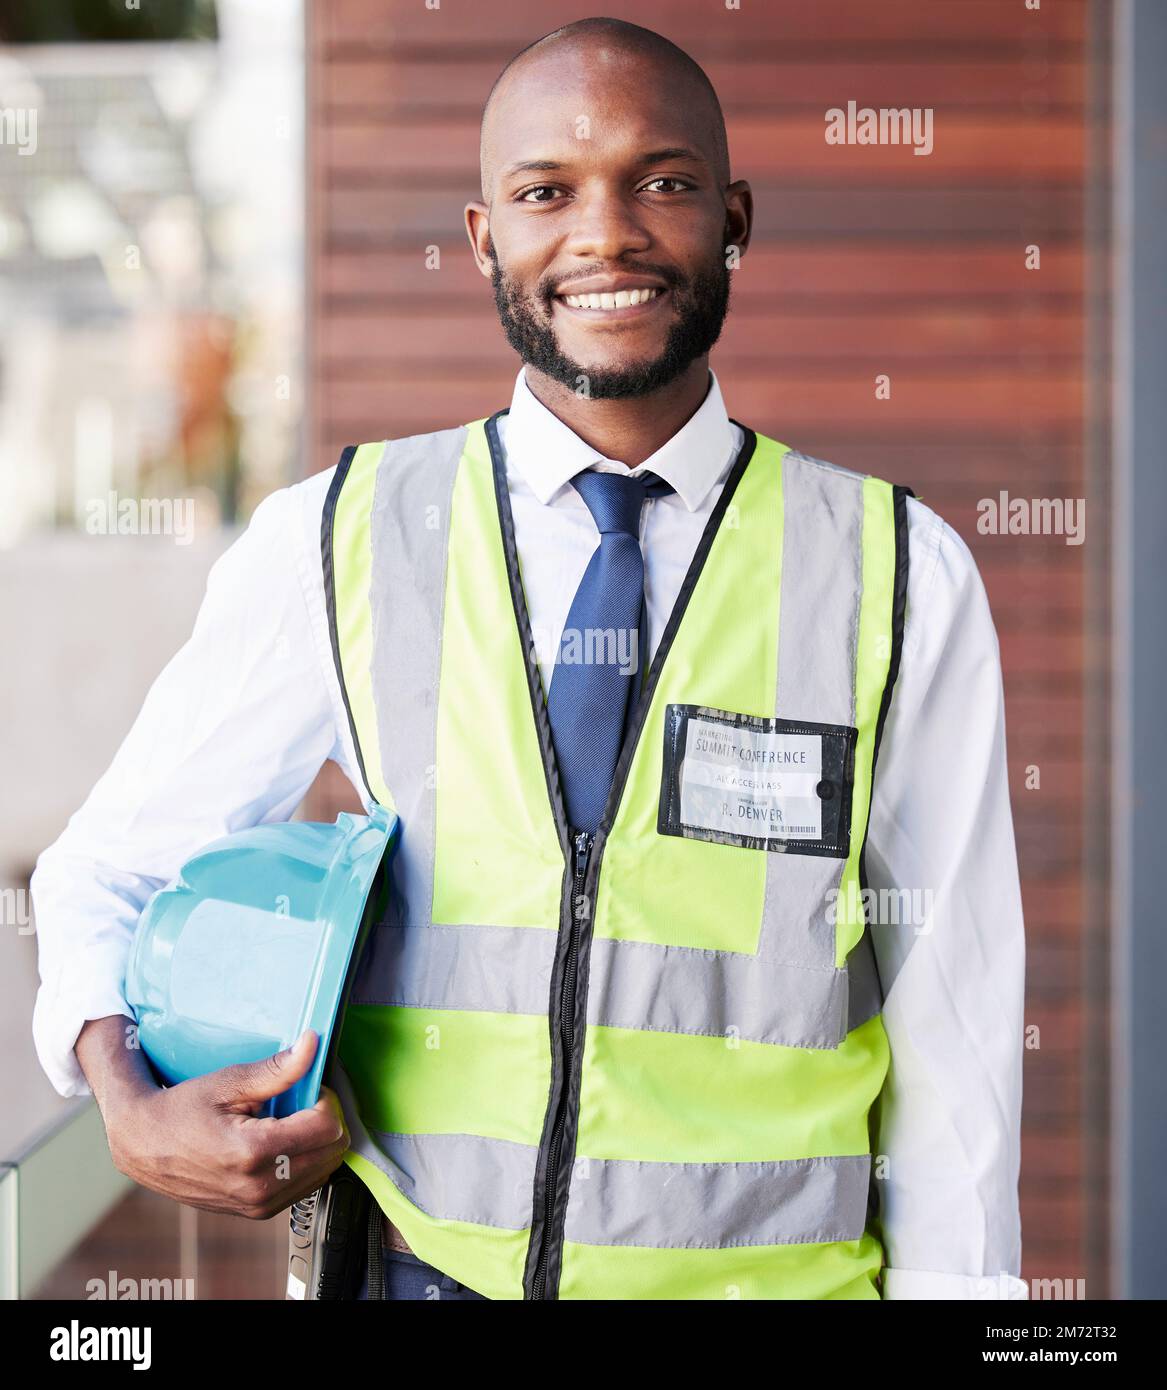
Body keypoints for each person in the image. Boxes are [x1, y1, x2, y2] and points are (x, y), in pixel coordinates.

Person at [31, 17, 1026, 1301]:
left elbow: (957, 1046)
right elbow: (106, 868)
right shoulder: (338, 538)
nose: (604, 234)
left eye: (660, 184)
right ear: (484, 236)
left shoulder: (900, 572)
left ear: (734, 218)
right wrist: (121, 1095)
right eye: (545, 191)